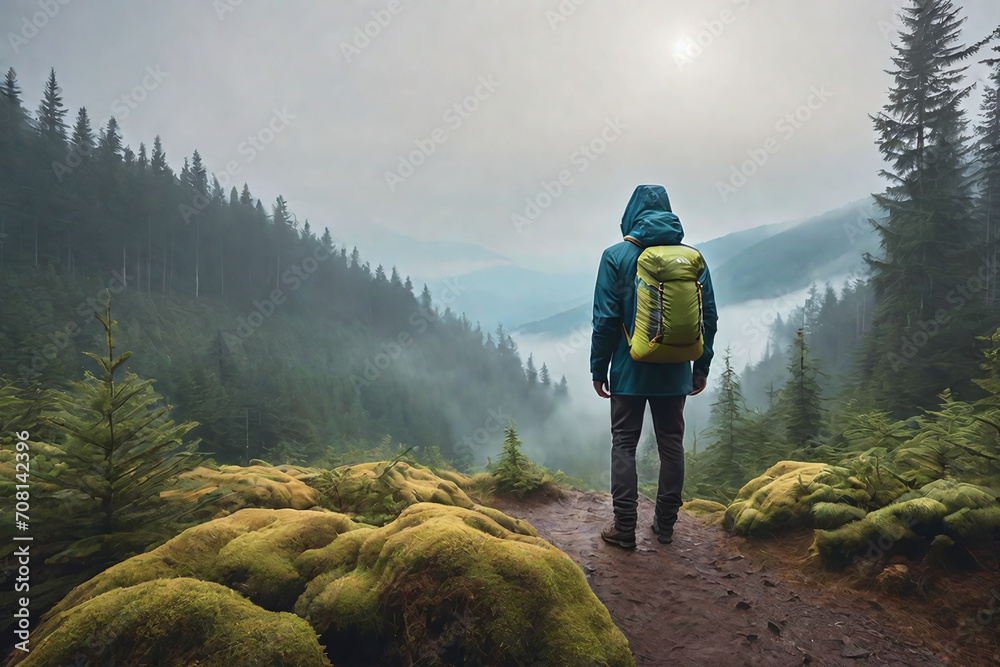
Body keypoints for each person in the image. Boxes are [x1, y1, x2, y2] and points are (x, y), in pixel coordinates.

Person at [590, 184, 718, 549]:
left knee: (625, 444)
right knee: (671, 444)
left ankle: (625, 528)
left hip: (629, 371)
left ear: (631, 214)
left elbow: (605, 320)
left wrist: (599, 368)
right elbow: (708, 317)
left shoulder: (615, 256)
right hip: (675, 369)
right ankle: (665, 526)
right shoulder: (691, 259)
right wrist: (701, 365)